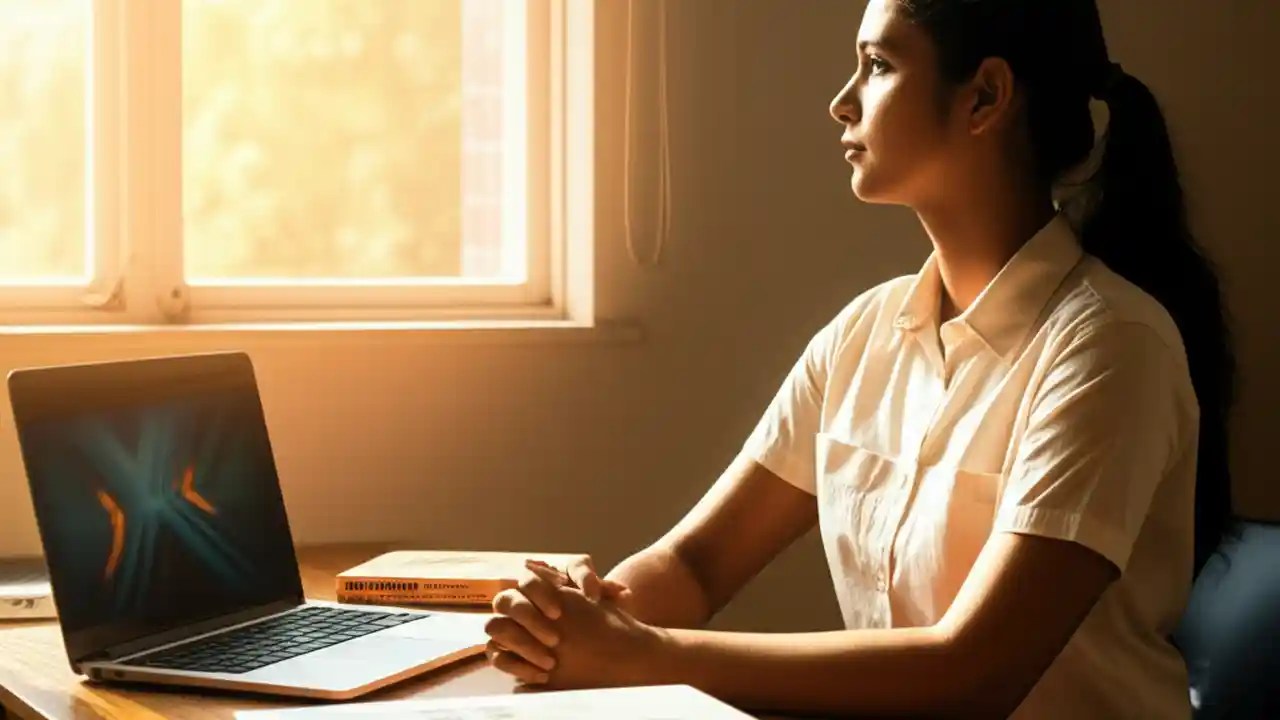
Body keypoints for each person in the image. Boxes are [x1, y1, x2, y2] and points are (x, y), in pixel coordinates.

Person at [483, 0, 1236, 717]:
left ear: (984, 96)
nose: (842, 104)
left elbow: (970, 673)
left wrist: (642, 656)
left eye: (877, 65)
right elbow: (695, 565)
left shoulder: (1110, 346)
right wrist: (586, 616)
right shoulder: (865, 333)